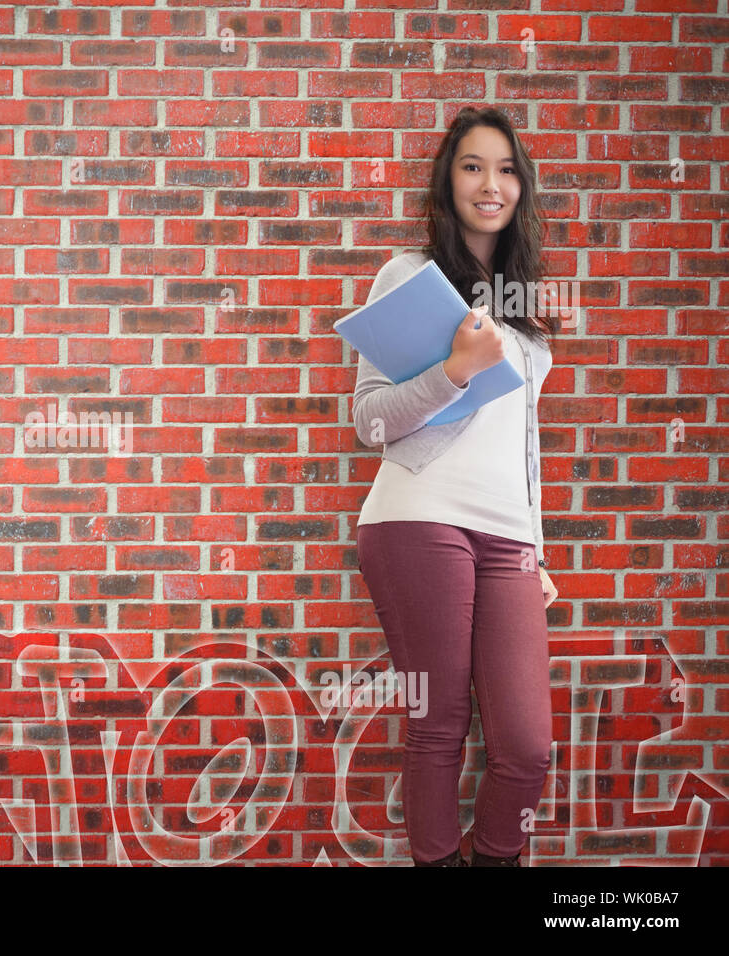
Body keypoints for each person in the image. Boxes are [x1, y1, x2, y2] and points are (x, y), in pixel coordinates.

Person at [351, 107, 570, 867]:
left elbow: (525, 443)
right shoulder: (410, 277)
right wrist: (455, 372)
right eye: (473, 165)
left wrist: (537, 550)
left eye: (506, 168)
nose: (491, 183)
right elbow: (370, 422)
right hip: (419, 518)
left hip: (507, 535)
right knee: (438, 724)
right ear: (450, 181)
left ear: (521, 187)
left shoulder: (524, 310)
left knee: (526, 744)